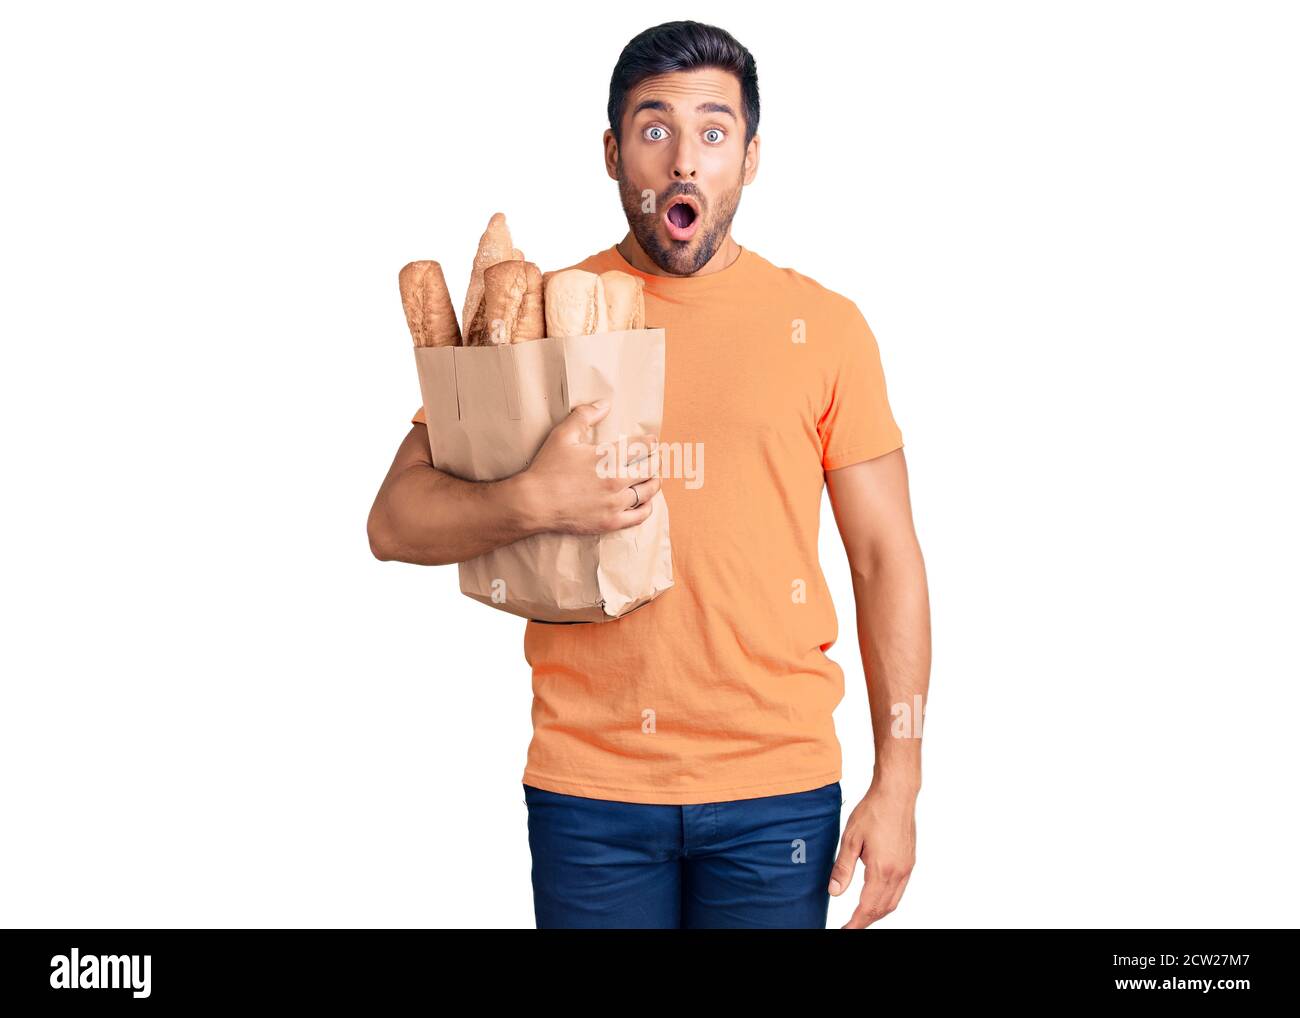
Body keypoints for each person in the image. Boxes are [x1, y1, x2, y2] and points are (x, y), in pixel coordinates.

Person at [367, 20, 931, 929]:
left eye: (713, 132)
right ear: (611, 152)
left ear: (749, 159)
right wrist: (532, 498)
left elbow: (885, 560)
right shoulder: (546, 317)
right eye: (652, 127)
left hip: (776, 789)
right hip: (590, 792)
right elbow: (393, 522)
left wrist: (898, 781)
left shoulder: (824, 328)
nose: (683, 160)